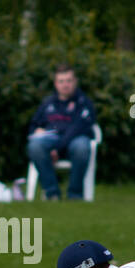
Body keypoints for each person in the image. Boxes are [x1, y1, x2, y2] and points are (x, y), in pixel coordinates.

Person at [26, 65, 97, 200]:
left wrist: (56, 149)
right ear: (56, 83)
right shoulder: (48, 104)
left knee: (82, 146)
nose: (65, 85)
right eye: (61, 81)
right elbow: (33, 126)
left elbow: (78, 128)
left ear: (75, 81)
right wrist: (37, 132)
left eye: (69, 80)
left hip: (74, 141)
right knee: (35, 145)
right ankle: (52, 193)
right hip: (51, 139)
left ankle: (75, 195)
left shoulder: (84, 103)